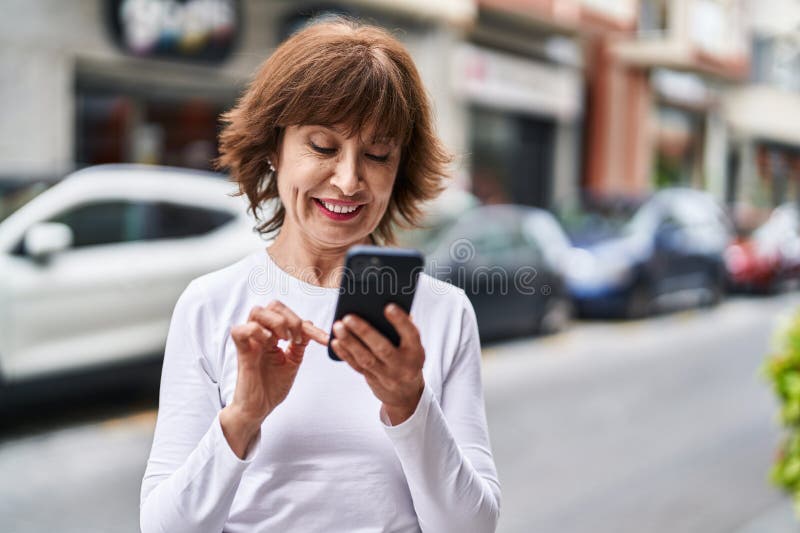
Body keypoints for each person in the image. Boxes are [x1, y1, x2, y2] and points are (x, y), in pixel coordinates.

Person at [140, 17, 501, 533]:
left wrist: (409, 403)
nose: (349, 179)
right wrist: (243, 416)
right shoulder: (210, 304)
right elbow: (164, 527)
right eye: (323, 147)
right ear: (274, 149)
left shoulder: (443, 313)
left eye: (377, 154)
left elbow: (471, 527)